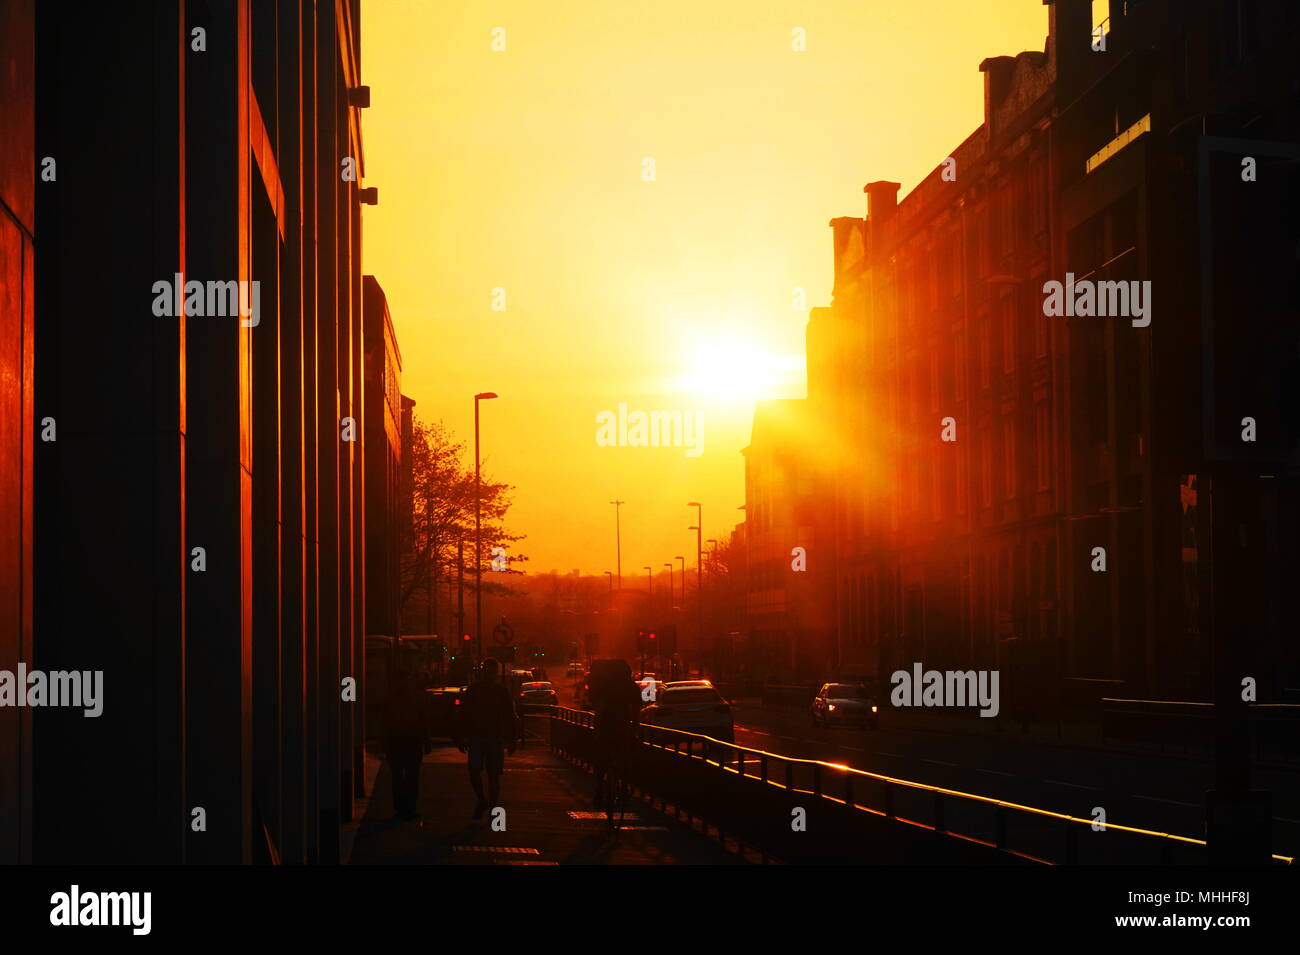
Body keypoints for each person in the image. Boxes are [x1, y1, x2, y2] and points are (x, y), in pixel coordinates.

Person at [455, 657, 520, 820]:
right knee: (482, 773)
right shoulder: (479, 690)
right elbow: (464, 714)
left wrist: (512, 738)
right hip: (483, 737)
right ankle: (488, 803)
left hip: (489, 737)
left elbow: (509, 716)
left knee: (489, 774)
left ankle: (490, 805)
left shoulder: (496, 691)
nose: (489, 674)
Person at [587, 659, 642, 811]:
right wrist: (635, 730)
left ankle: (599, 787)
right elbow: (636, 709)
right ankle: (624, 789)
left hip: (604, 725)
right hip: (622, 725)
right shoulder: (630, 686)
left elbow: (595, 704)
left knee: (600, 755)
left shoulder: (602, 686)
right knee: (625, 756)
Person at [382, 668, 432, 821]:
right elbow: (424, 720)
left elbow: (384, 722)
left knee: (401, 776)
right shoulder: (416, 698)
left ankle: (402, 807)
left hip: (401, 740)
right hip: (408, 740)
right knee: (409, 775)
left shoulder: (390, 699)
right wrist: (426, 740)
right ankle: (408, 807)